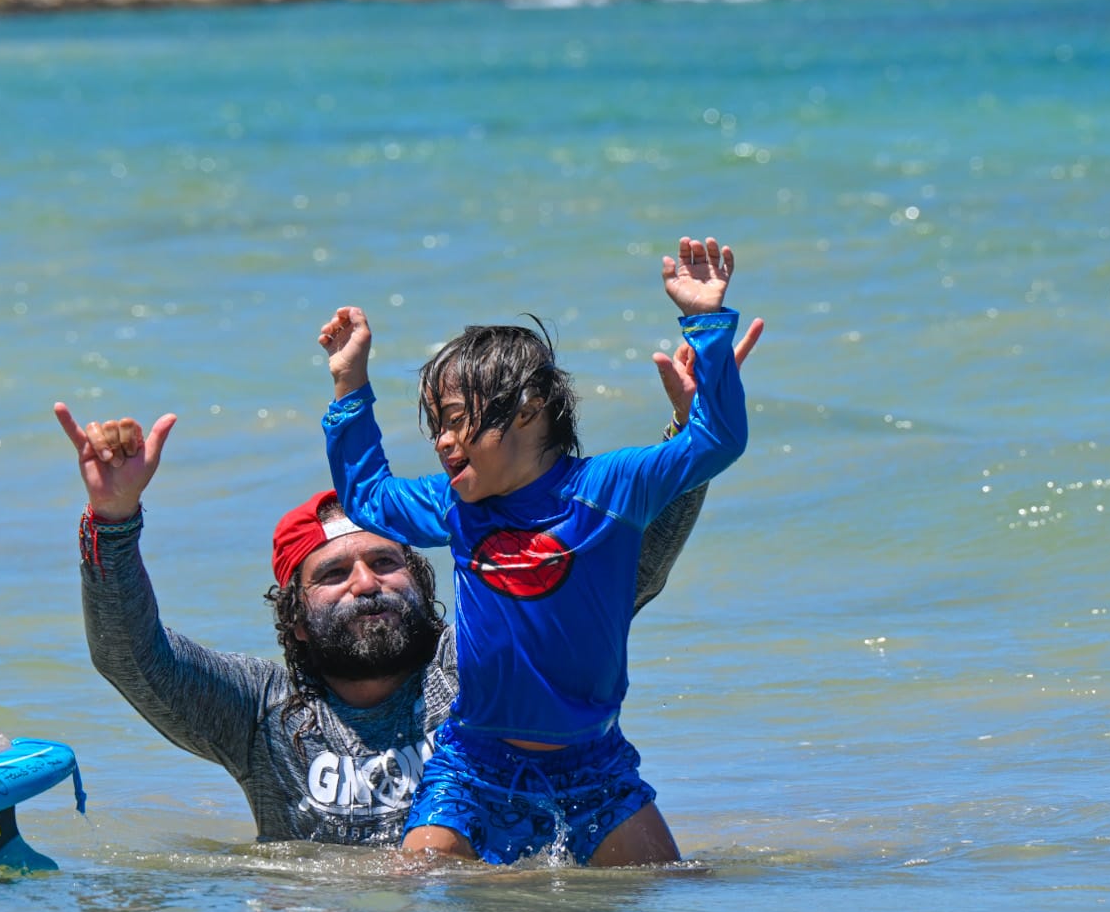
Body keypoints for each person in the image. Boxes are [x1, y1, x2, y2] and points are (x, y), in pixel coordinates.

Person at [53, 318, 760, 849]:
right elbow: (131, 656)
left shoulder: (474, 664)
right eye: (334, 572)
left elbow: (618, 565)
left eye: (387, 561)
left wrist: (686, 433)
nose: (367, 581)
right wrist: (113, 521)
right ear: (294, 615)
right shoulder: (260, 712)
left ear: (425, 578)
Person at [316, 236, 747, 866]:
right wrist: (349, 381)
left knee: (673, 890)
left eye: (456, 419)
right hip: (473, 763)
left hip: (594, 766)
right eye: (434, 424)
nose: (441, 440)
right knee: (413, 889)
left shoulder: (609, 487)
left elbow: (718, 439)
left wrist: (706, 325)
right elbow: (369, 496)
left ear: (528, 409)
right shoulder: (456, 506)